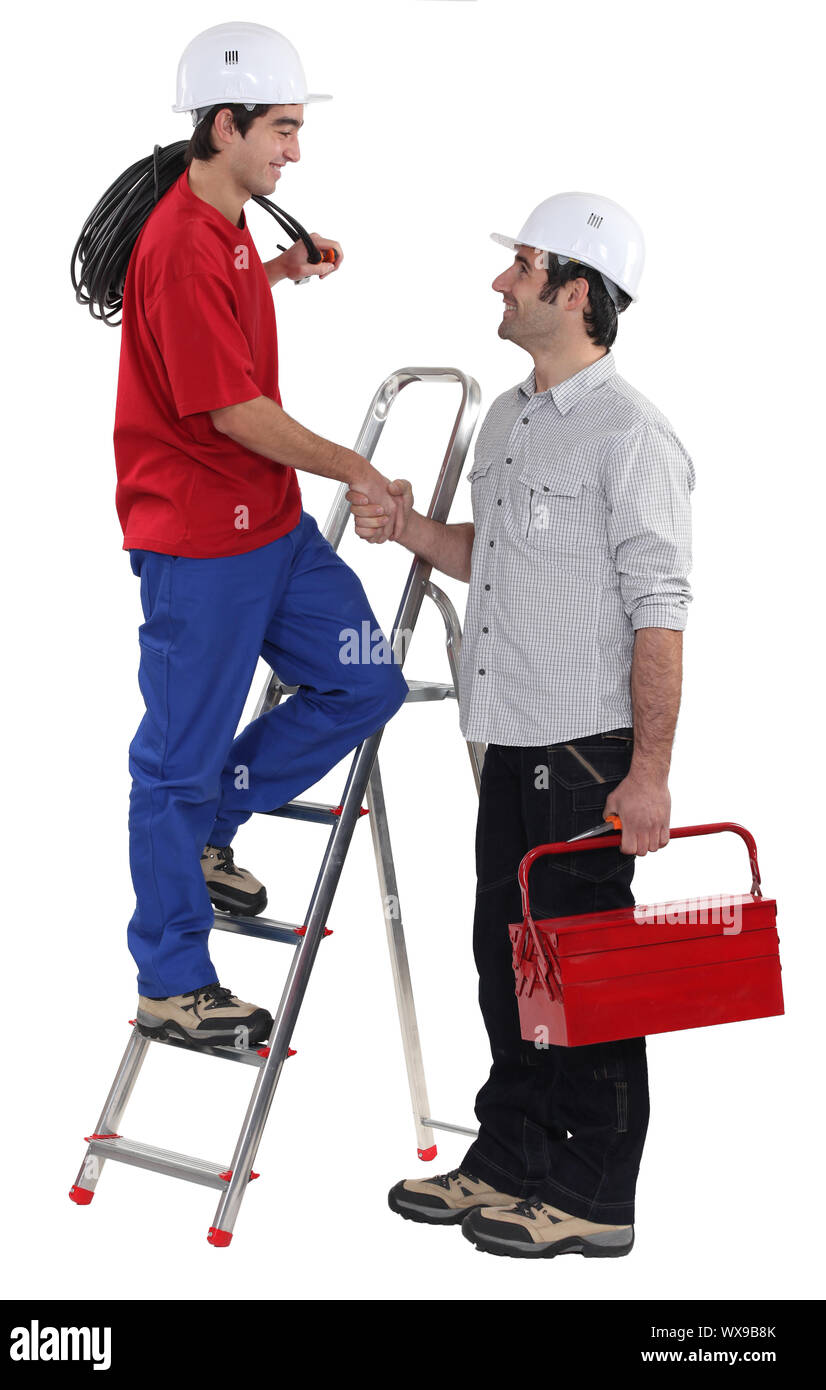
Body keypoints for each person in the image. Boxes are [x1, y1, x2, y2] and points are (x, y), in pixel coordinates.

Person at [348, 192, 694, 1258]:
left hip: (584, 751)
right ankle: (507, 1161)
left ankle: (591, 1197)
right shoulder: (507, 417)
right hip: (503, 741)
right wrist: (405, 528)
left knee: (578, 975)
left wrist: (648, 774)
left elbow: (660, 608)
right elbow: (485, 559)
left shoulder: (629, 434)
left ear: (575, 291)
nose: (501, 281)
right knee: (505, 961)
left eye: (523, 266)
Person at [113, 22, 408, 1049]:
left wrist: (280, 272)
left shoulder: (227, 224)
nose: (294, 148)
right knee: (174, 763)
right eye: (280, 128)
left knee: (368, 678)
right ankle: (172, 980)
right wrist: (360, 469)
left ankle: (207, 831)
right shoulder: (180, 245)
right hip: (201, 544)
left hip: (269, 527)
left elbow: (216, 317)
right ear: (225, 124)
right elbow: (231, 408)